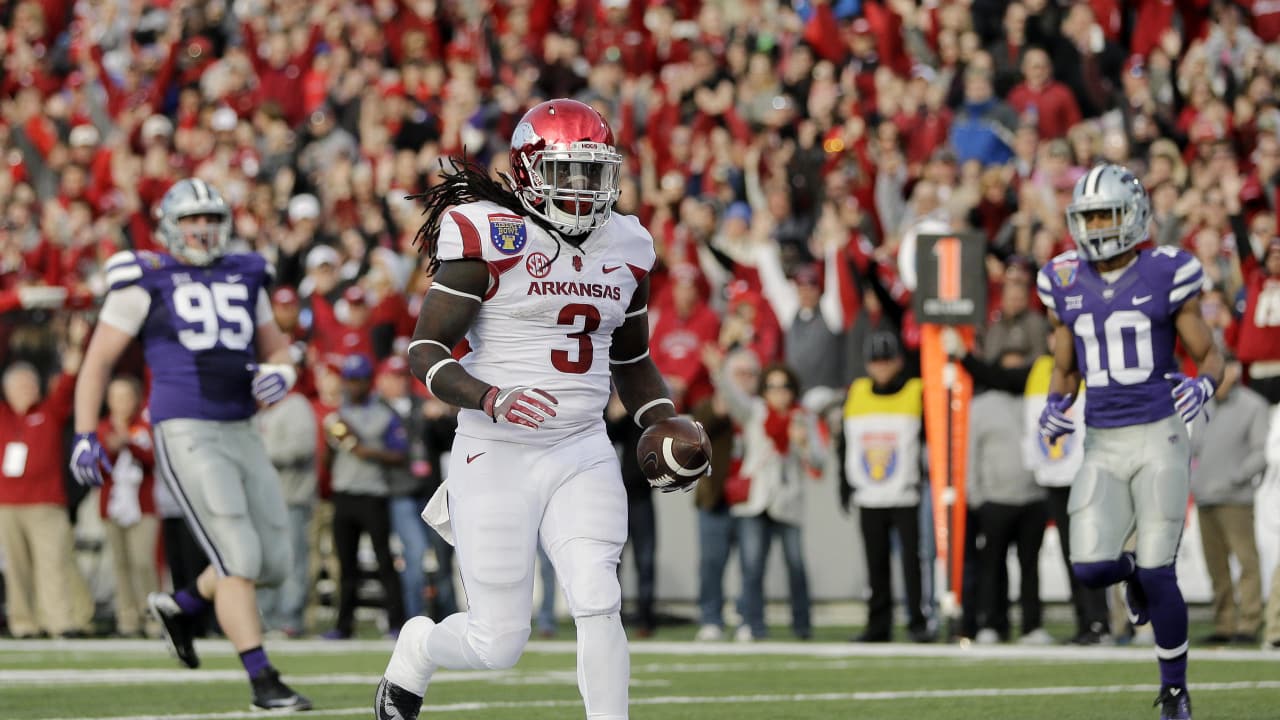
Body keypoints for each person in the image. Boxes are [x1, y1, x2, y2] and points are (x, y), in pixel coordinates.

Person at [376, 99, 701, 720]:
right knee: (496, 642)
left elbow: (631, 359)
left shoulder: (628, 244)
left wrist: (662, 420)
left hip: (580, 448)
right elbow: (425, 350)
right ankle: (417, 646)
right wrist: (488, 397)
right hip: (494, 448)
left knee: (599, 595)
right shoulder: (487, 232)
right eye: (566, 172)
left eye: (593, 172)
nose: (582, 189)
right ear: (528, 170)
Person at [69, 179, 311, 711]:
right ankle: (262, 681)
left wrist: (282, 376)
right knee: (238, 555)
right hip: (184, 428)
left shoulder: (249, 272)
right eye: (189, 220)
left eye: (209, 218)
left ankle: (181, 606)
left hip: (244, 427)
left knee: (274, 562)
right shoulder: (144, 278)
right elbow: (98, 362)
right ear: (168, 226)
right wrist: (86, 433)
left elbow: (279, 352)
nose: (201, 229)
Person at [1036, 163, 1224, 720]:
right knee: (1091, 566)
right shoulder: (1063, 279)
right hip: (1101, 438)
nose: (1095, 226)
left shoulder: (1166, 271)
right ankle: (1134, 579)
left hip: (1160, 432)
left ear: (1135, 216)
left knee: (1160, 565)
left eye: (1106, 214)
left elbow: (1212, 353)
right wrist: (1054, 403)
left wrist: (1205, 382)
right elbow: (1065, 366)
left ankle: (1174, 690)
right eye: (1088, 215)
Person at [321, 353, 408, 639]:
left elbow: (399, 454)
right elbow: (329, 458)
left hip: (373, 494)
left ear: (369, 382)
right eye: (349, 381)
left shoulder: (384, 414)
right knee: (346, 566)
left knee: (384, 561)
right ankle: (343, 626)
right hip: (344, 493)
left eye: (358, 381)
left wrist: (365, 450)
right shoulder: (337, 416)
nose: (353, 386)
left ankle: (397, 622)